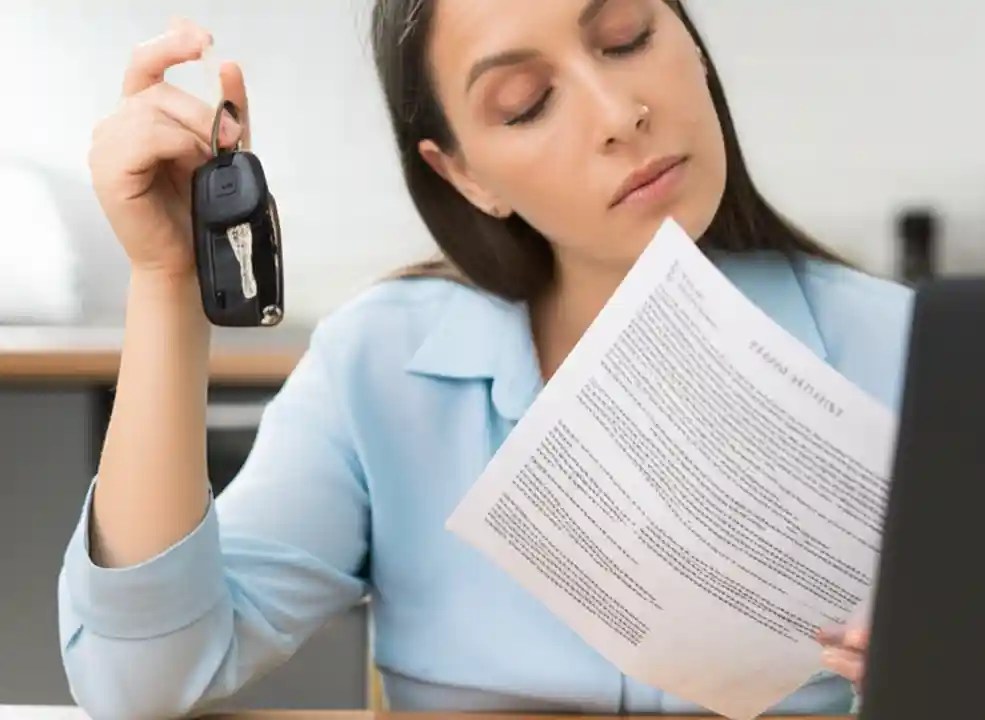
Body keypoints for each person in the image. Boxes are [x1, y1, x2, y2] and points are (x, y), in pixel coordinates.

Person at [58, 1, 912, 717]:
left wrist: (947, 672)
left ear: (691, 41)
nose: (618, 115)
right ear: (466, 176)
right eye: (526, 102)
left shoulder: (907, 351)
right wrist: (168, 280)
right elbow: (140, 680)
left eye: (627, 39)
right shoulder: (380, 366)